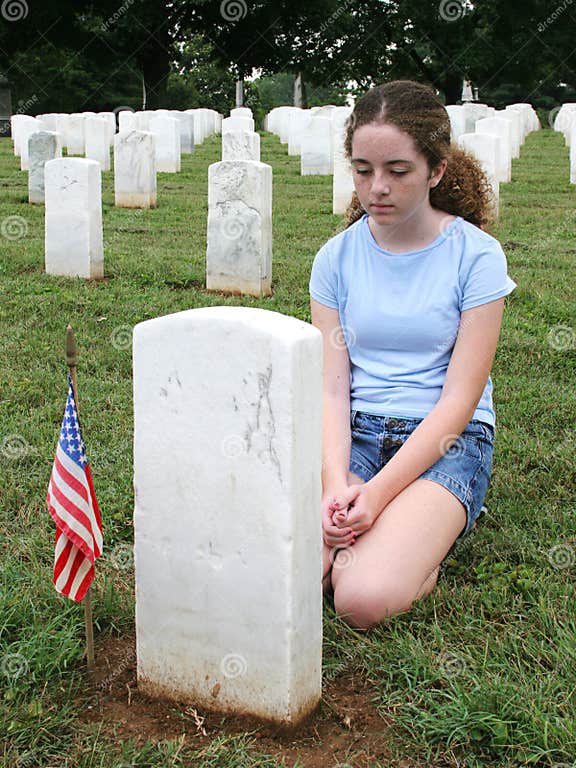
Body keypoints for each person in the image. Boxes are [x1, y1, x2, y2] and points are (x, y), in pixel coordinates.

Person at [309, 80, 517, 631]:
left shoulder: (477, 257)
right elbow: (332, 387)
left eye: (397, 171)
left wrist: (375, 496)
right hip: (355, 433)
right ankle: (389, 536)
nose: (376, 188)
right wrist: (336, 485)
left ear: (437, 169)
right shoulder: (335, 258)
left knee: (360, 599)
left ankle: (424, 539)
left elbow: (459, 400)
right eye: (362, 169)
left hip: (447, 440)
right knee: (297, 568)